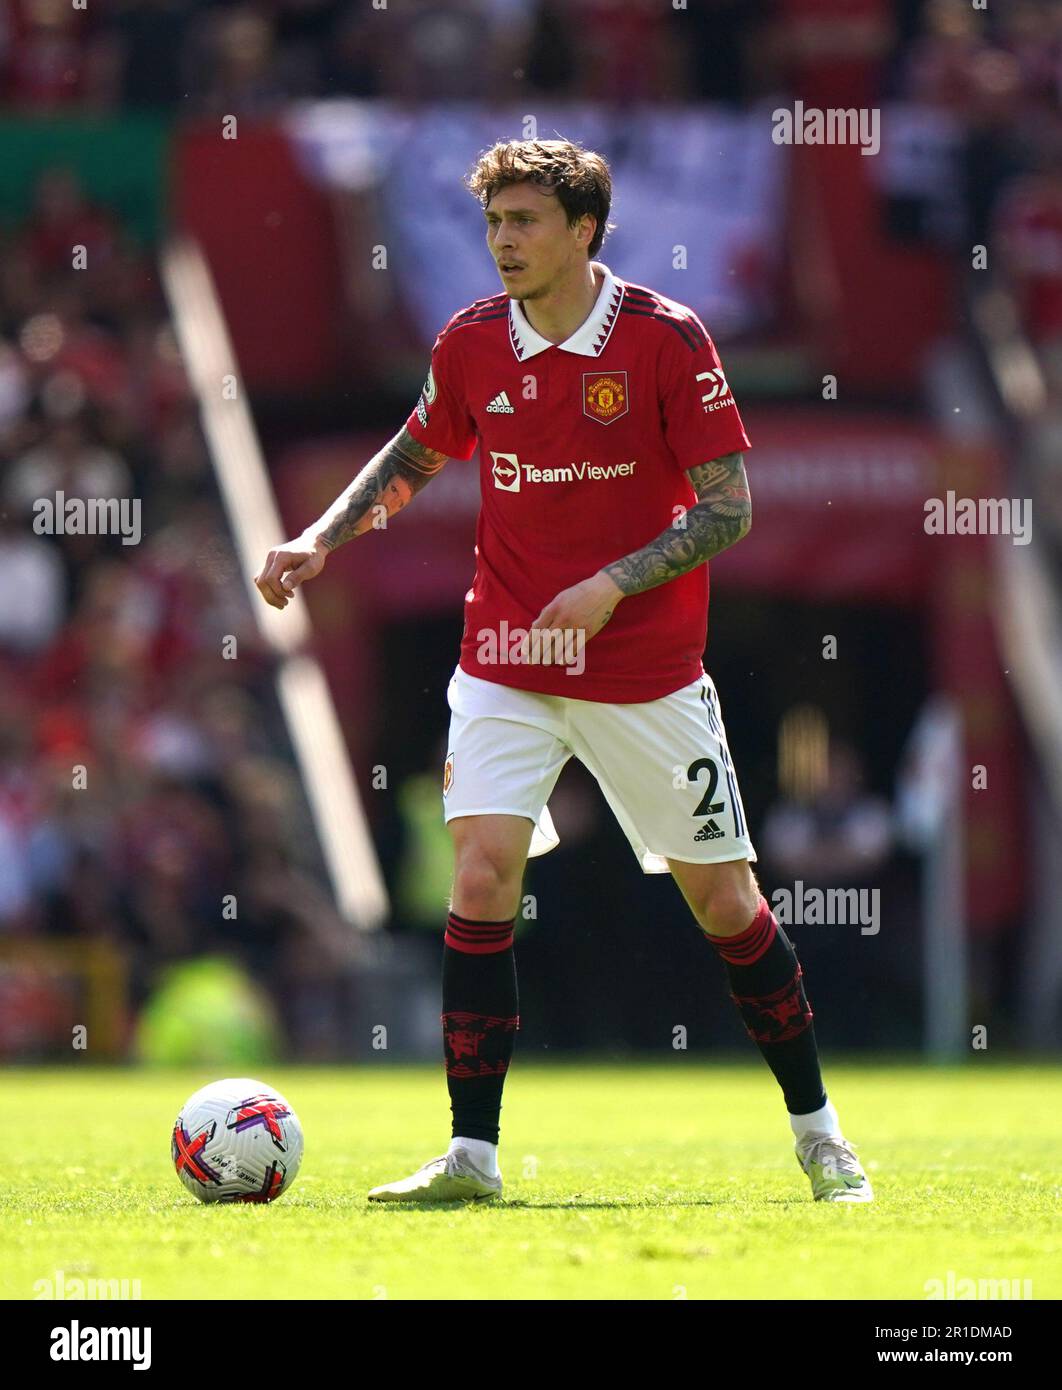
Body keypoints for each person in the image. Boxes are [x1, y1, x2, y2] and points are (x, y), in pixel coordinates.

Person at [255, 138, 872, 1204]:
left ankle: (822, 1134)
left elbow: (731, 510)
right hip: (504, 654)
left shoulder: (666, 339)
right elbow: (413, 452)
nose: (503, 243)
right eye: (494, 224)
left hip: (646, 671)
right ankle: (471, 1154)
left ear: (583, 230)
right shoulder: (471, 342)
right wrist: (320, 538)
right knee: (484, 874)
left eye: (525, 222)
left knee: (725, 902)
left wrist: (613, 583)